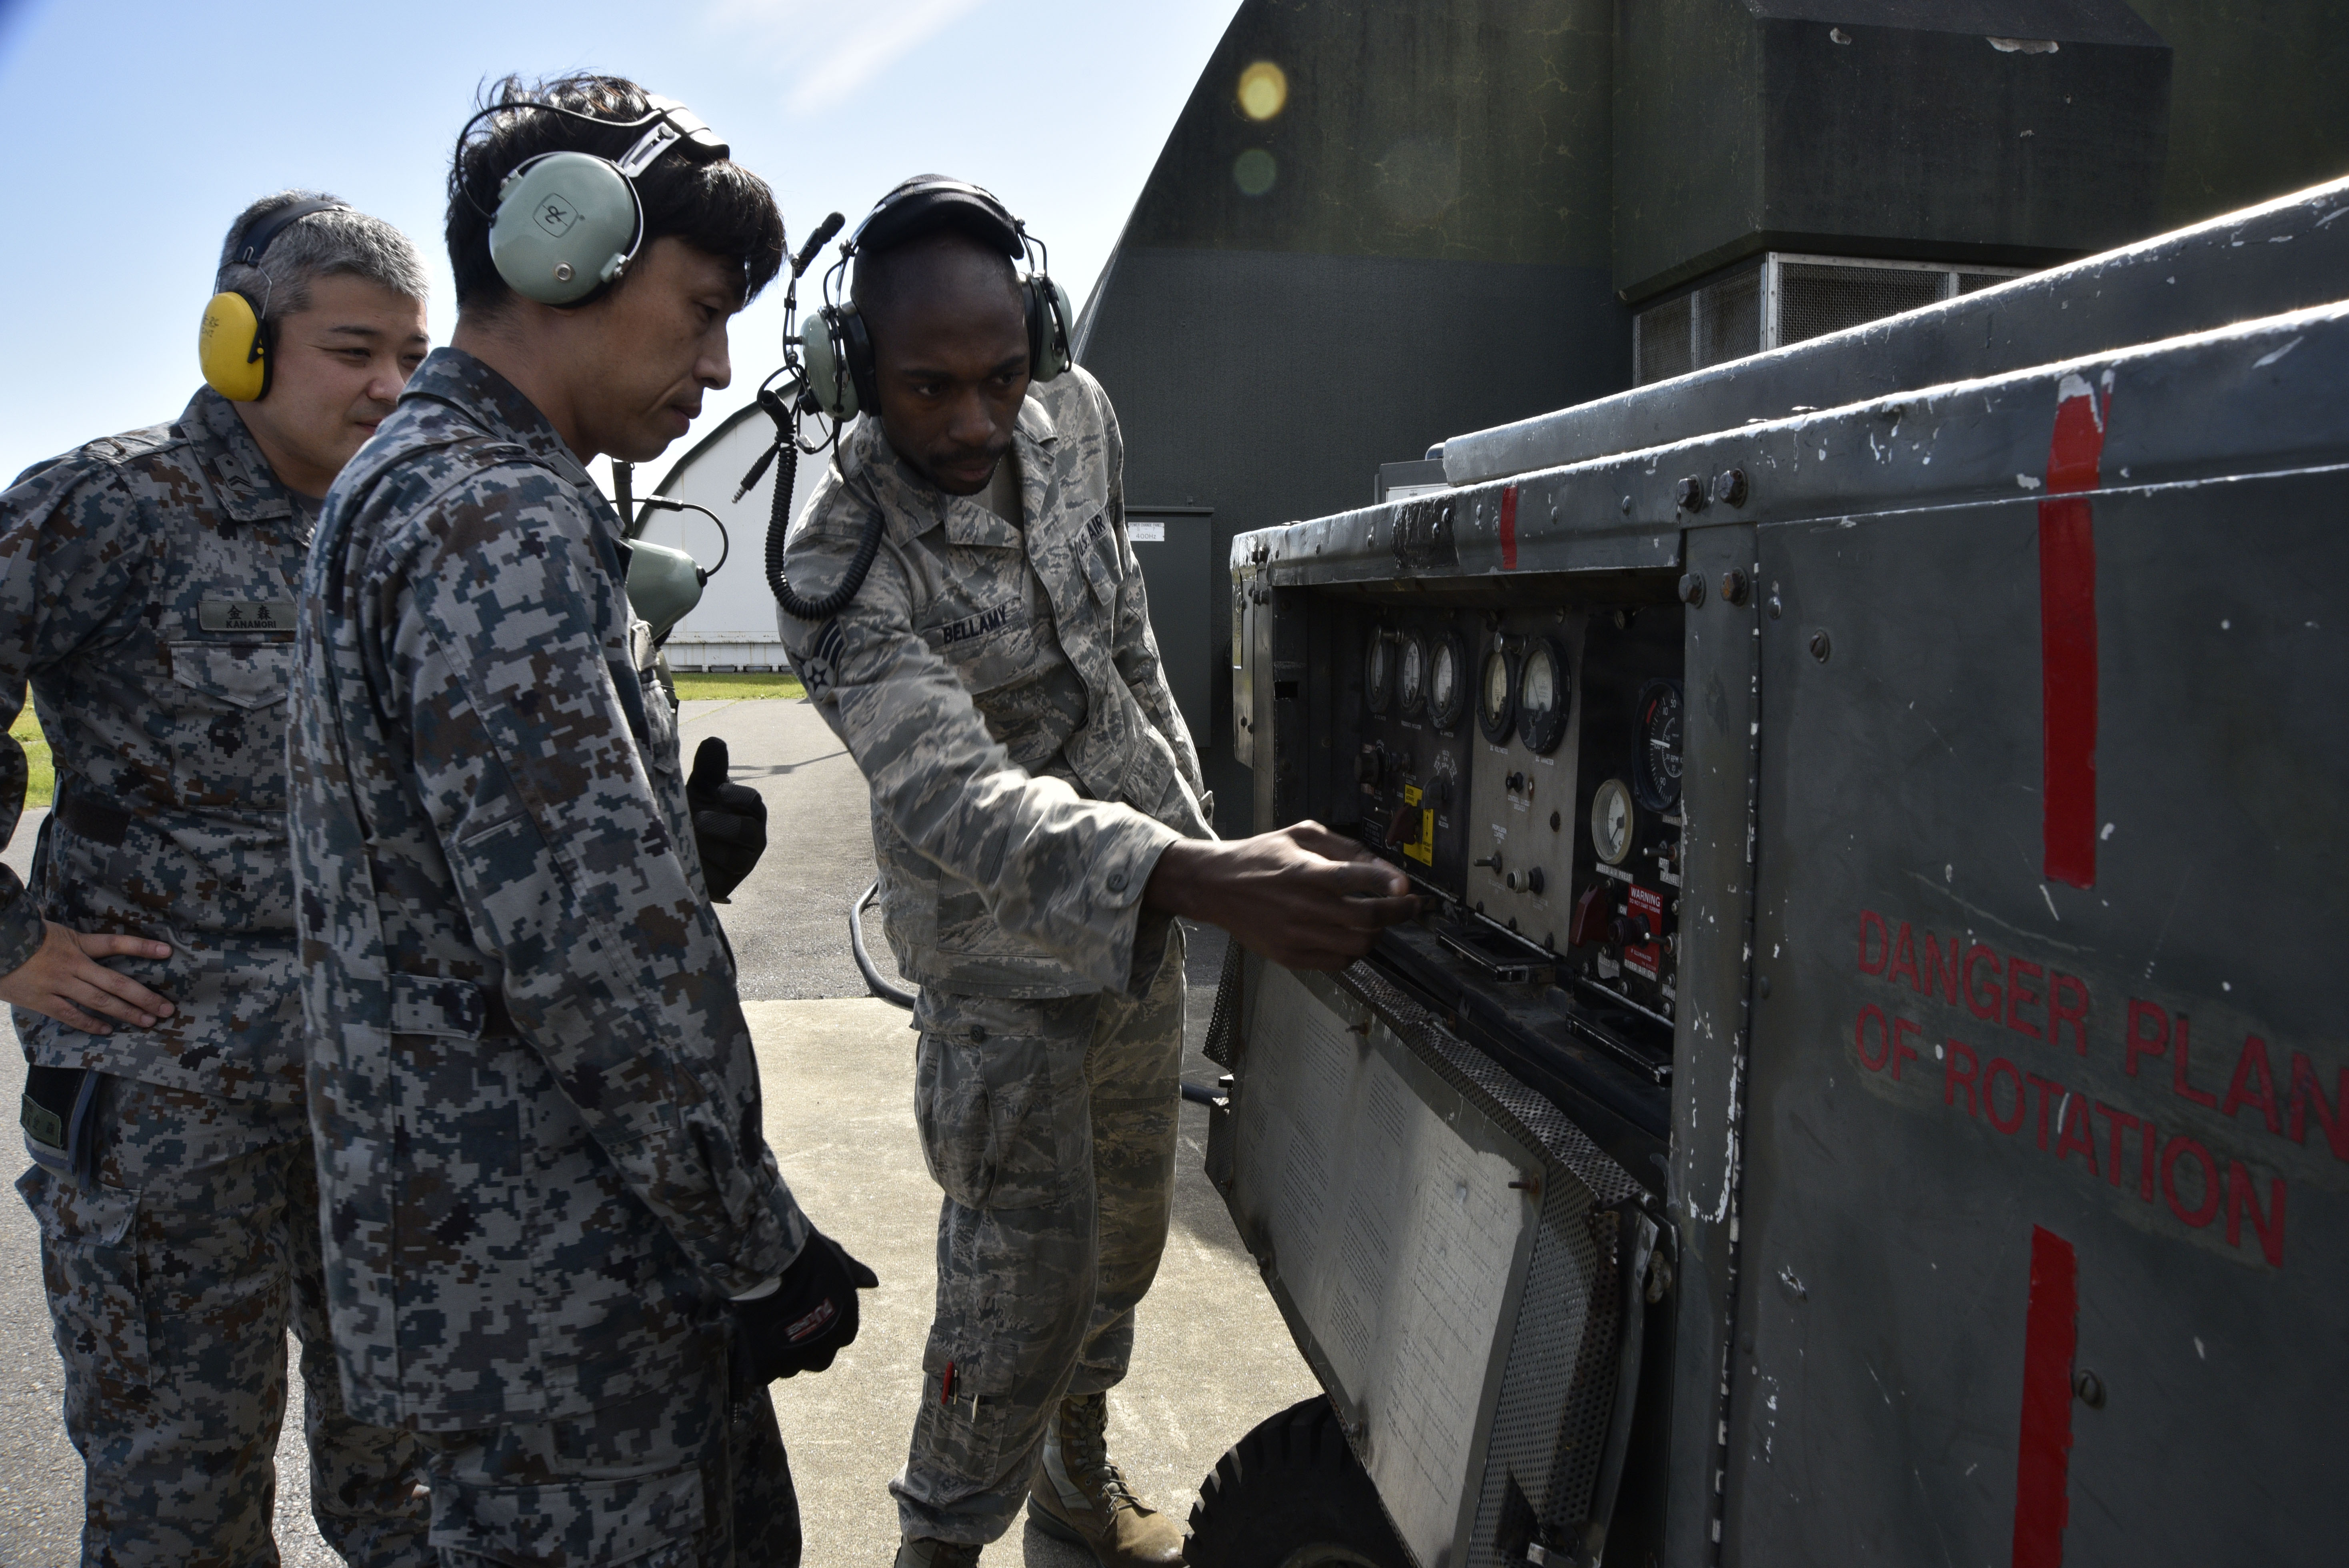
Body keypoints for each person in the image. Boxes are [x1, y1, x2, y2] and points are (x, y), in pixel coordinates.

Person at [776, 177, 1419, 1568]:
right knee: (1015, 1298)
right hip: (999, 965)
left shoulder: (1082, 422)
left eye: (1003, 376)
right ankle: (939, 1545)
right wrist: (1191, 874)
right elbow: (953, 789)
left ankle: (1073, 1479)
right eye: (926, 387)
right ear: (851, 371)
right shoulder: (837, 556)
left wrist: (1195, 836)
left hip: (1147, 929)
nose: (972, 422)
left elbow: (1126, 645)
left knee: (1124, 1246)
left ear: (1045, 340)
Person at [286, 76, 872, 1568]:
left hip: (498, 1267)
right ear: (564, 254)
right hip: (558, 1296)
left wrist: (667, 845)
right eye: (698, 306)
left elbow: (463, 875)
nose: (721, 360)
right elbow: (593, 966)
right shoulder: (497, 516)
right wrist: (760, 1247)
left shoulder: (412, 486)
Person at [2, 192, 434, 1564]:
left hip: (378, 1098)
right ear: (240, 344)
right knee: (179, 1494)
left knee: (414, 1472)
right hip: (167, 1114)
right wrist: (9, 940)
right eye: (353, 349)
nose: (388, 387)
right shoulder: (110, 506)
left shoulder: (402, 531)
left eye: (411, 358)